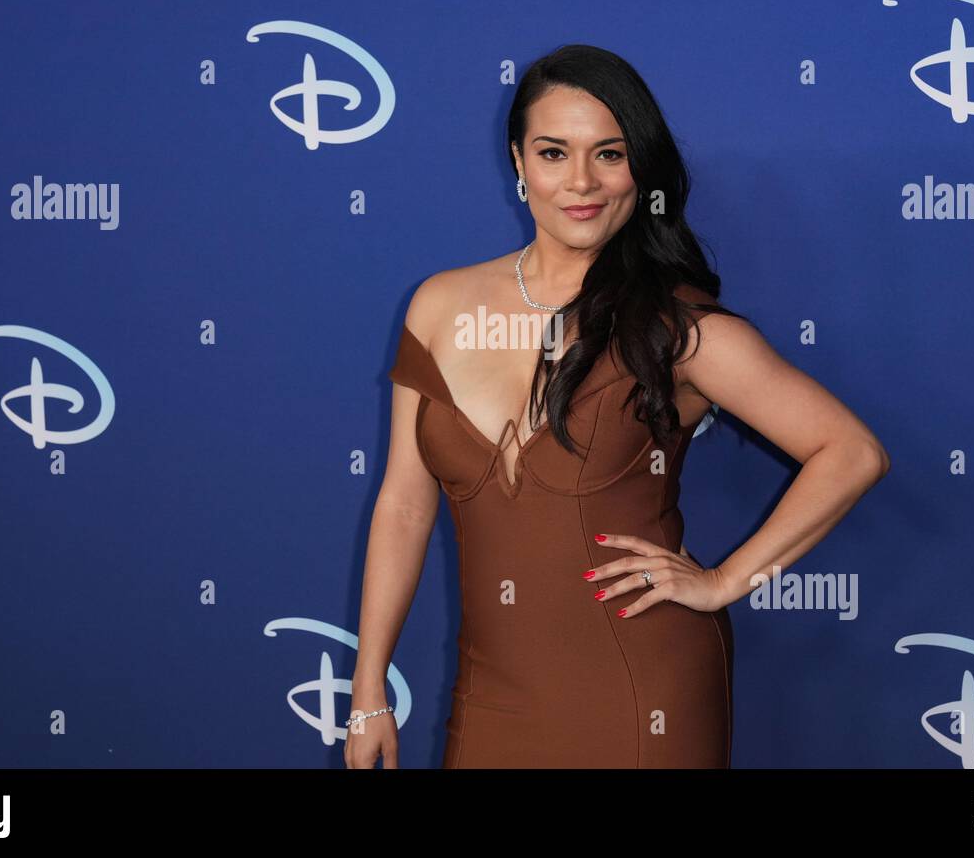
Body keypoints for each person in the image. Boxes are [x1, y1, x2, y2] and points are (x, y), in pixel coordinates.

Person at [345, 45, 890, 768]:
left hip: (643, 686)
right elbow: (404, 506)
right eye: (553, 152)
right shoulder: (439, 304)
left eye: (609, 153)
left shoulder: (678, 329)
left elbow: (852, 452)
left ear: (643, 169)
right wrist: (367, 686)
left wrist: (723, 581)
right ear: (518, 162)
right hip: (492, 694)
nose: (580, 181)